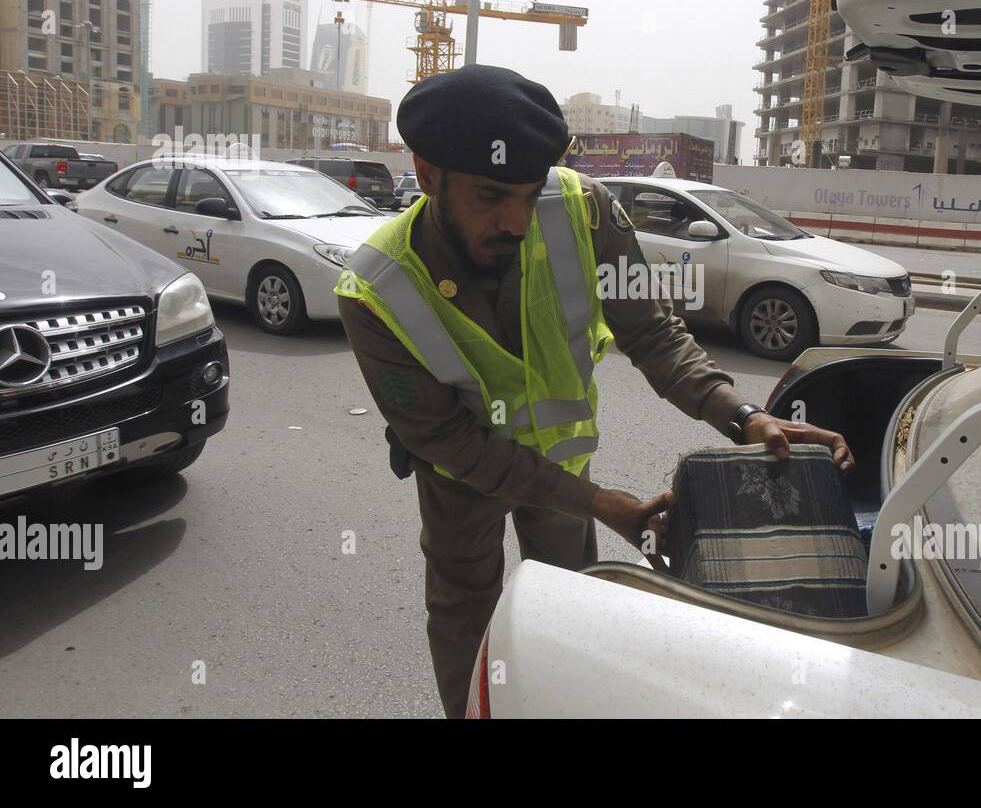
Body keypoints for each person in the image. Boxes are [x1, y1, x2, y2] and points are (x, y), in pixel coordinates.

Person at [335, 64, 855, 717]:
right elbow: (450, 441)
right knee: (467, 625)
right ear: (429, 174)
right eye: (492, 197)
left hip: (563, 477)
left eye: (528, 195)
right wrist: (599, 503)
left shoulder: (584, 212)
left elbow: (654, 335)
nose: (517, 222)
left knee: (568, 622)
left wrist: (743, 415)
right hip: (463, 484)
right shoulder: (375, 289)